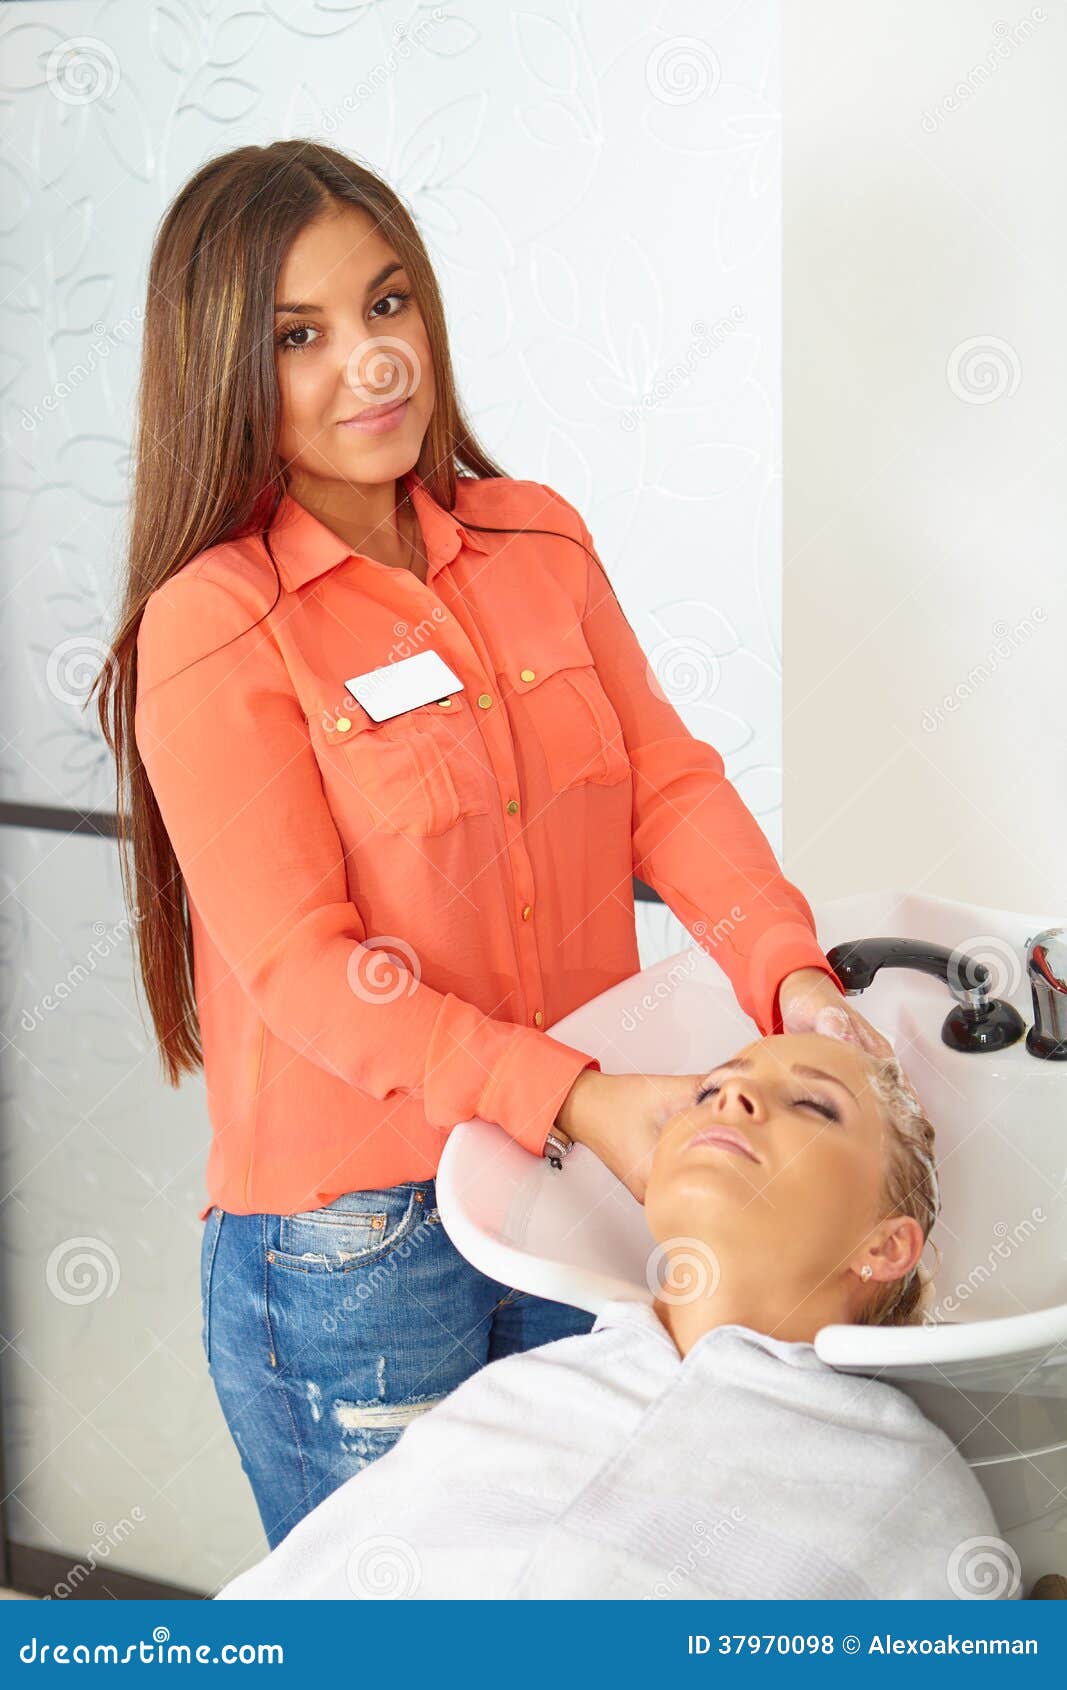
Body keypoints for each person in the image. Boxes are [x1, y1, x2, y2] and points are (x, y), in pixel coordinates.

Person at [93, 138, 891, 1555]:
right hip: (359, 1244)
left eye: (387, 305)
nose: (372, 362)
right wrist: (577, 1096)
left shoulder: (537, 543)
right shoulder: (217, 624)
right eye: (302, 336)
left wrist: (790, 978)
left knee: (570, 1592)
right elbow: (301, 965)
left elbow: (665, 787)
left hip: (567, 1181)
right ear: (225, 371)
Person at [214, 1030, 1015, 1602]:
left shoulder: (904, 1491)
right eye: (708, 1089)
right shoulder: (514, 1398)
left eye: (811, 1105)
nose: (733, 1094)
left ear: (884, 1246)